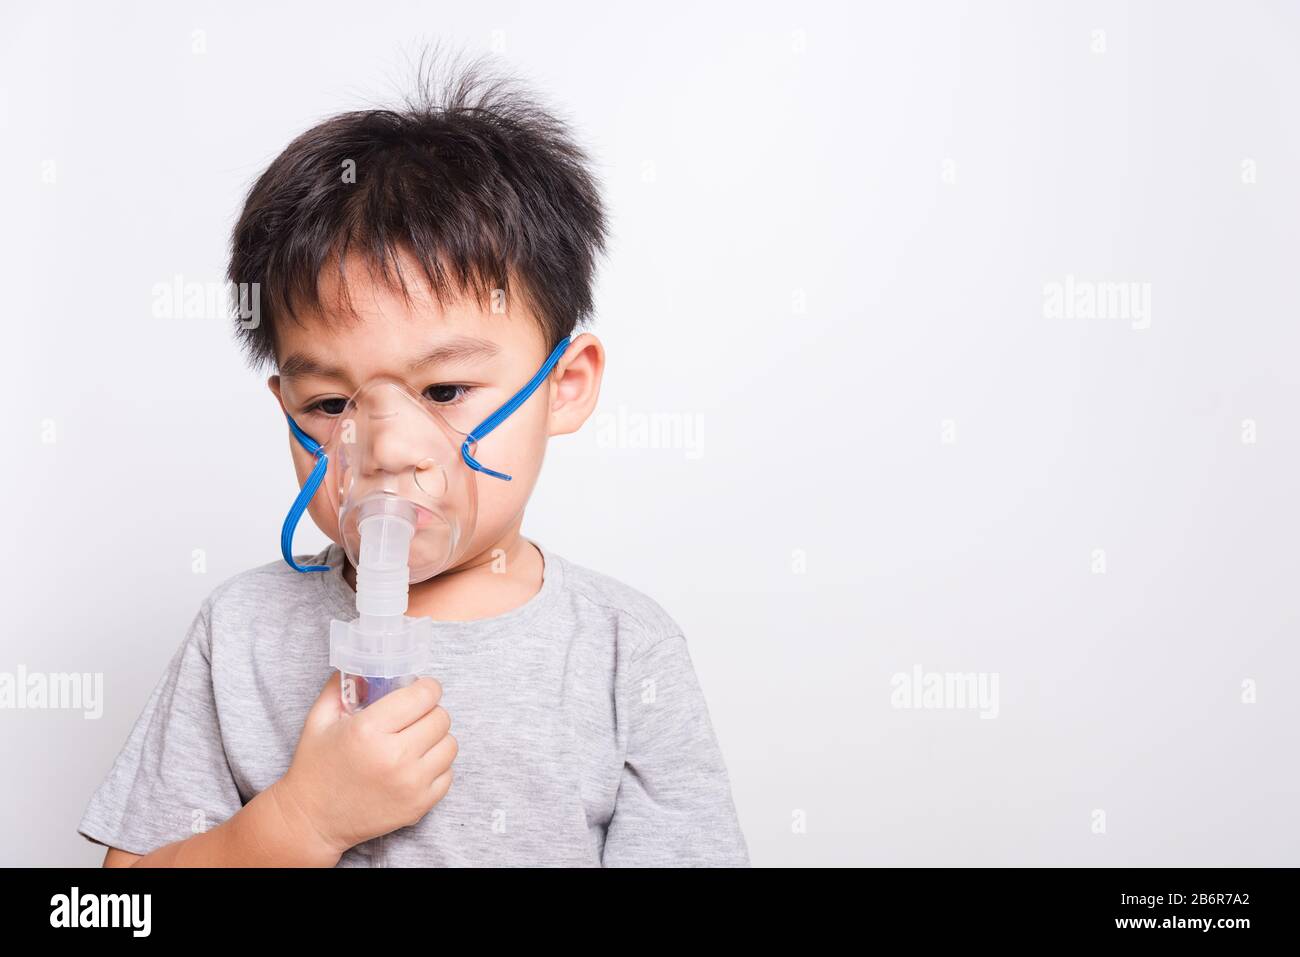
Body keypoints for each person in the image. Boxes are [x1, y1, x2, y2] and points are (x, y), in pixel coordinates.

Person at [76, 56, 749, 867]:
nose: (387, 448)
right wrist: (297, 825)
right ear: (285, 407)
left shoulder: (620, 650)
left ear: (563, 387)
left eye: (444, 388)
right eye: (330, 405)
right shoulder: (243, 637)